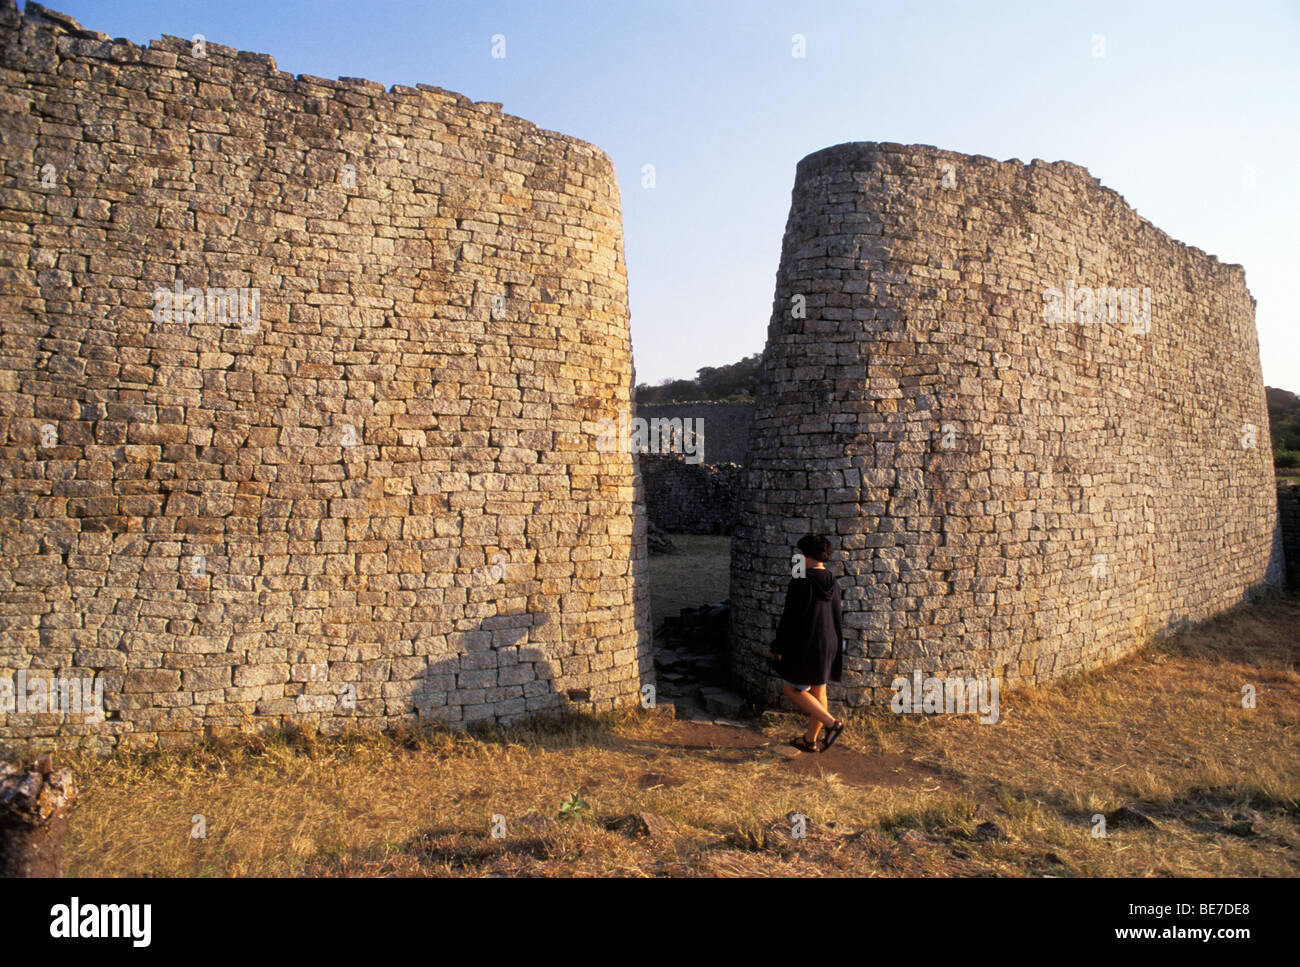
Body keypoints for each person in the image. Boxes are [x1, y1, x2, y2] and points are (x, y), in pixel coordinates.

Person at [768, 533, 846, 752]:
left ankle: (832, 725)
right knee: (819, 691)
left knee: (791, 688)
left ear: (806, 554)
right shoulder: (832, 580)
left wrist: (777, 647)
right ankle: (810, 740)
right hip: (829, 641)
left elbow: (790, 617)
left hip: (808, 642)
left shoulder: (801, 582)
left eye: (801, 552)